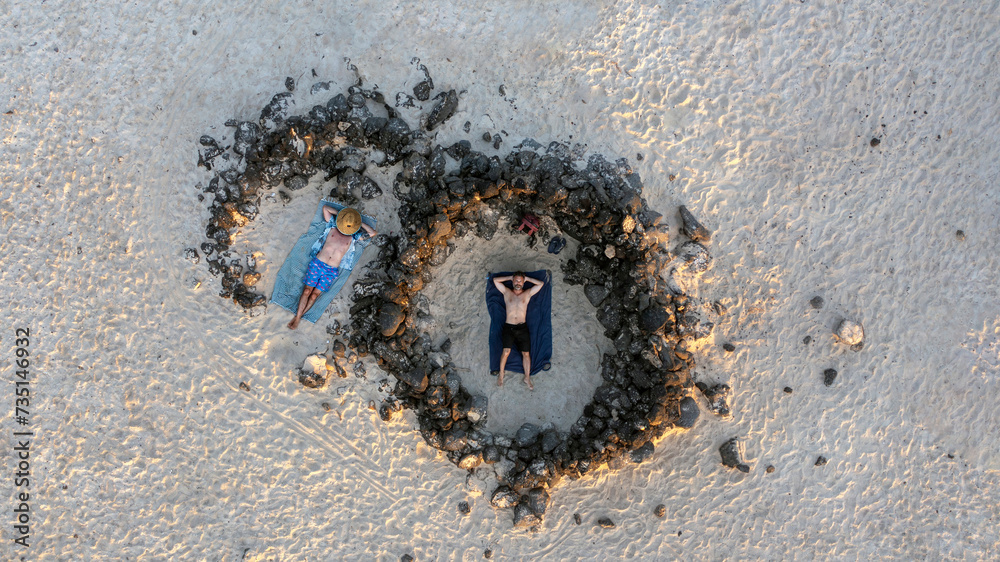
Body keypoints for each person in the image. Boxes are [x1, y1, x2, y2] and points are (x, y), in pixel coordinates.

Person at [287, 206, 376, 329]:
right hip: (318, 263)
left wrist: (358, 223)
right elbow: (326, 209)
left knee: (314, 296)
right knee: (307, 291)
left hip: (331, 271)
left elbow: (372, 233)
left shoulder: (354, 236)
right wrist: (341, 216)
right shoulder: (333, 225)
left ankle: (299, 317)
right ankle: (297, 318)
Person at [492, 271, 545, 389]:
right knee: (506, 352)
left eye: (520, 281)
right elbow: (495, 280)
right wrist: (509, 277)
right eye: (516, 280)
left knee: (526, 353)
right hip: (509, 326)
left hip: (522, 327)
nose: (518, 282)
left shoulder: (527, 294)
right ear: (512, 281)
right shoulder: (507, 292)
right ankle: (501, 374)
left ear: (523, 282)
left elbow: (541, 284)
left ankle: (527, 377)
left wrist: (528, 279)